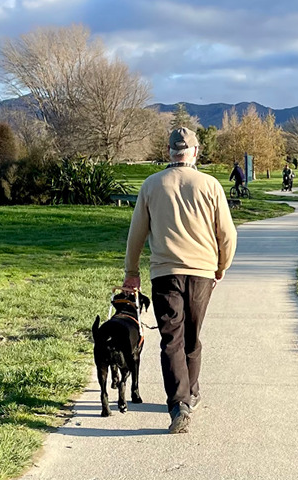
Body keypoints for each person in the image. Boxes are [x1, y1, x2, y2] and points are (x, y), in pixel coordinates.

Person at [124, 127, 237, 434]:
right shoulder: (211, 185)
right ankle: (192, 392)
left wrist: (131, 272)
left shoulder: (151, 185)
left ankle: (179, 404)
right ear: (195, 152)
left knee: (171, 338)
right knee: (192, 335)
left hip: (165, 273)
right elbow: (227, 234)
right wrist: (221, 266)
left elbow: (136, 234)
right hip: (202, 272)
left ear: (169, 152)